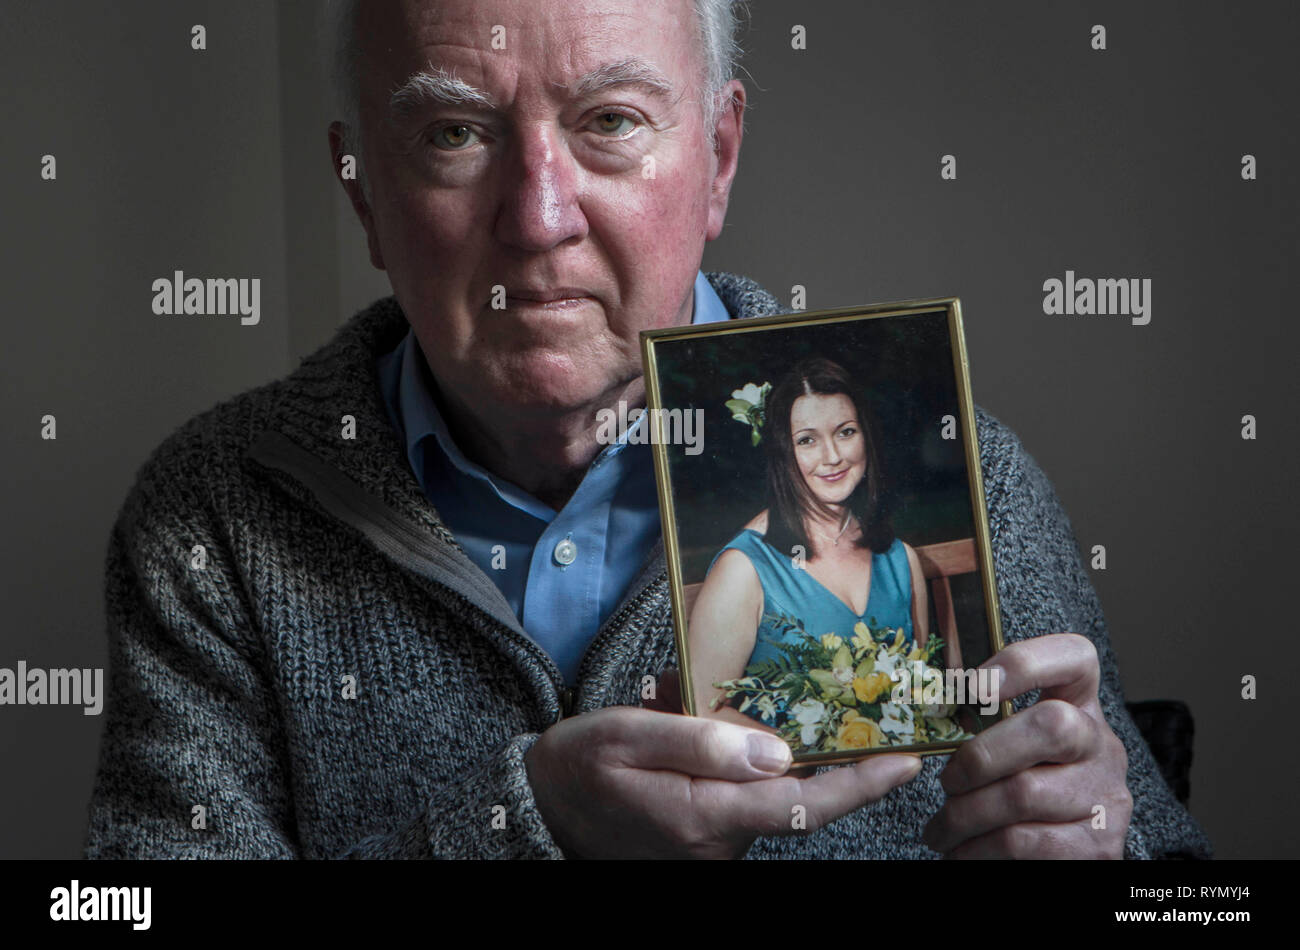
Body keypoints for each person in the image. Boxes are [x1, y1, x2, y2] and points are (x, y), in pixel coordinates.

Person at [82, 0, 1211, 859]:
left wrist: (1123, 861)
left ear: (718, 158)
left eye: (610, 122)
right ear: (363, 187)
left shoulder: (971, 476)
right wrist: (528, 828)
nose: (537, 217)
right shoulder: (214, 518)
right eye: (453, 132)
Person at [691, 356, 966, 741]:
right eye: (807, 440)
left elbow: (921, 694)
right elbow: (704, 712)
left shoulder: (900, 560)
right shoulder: (744, 568)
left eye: (845, 432)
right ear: (783, 454)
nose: (833, 456)